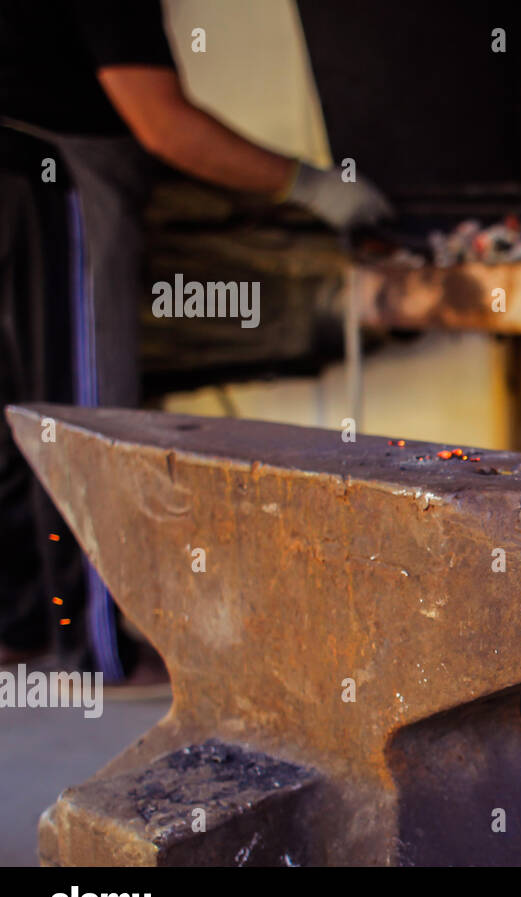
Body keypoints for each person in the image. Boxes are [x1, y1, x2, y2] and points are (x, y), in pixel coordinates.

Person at [0, 0, 392, 679]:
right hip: (47, 180)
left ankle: (21, 626)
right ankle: (96, 651)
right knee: (84, 415)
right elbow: (163, 126)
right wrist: (307, 185)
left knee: (13, 409)